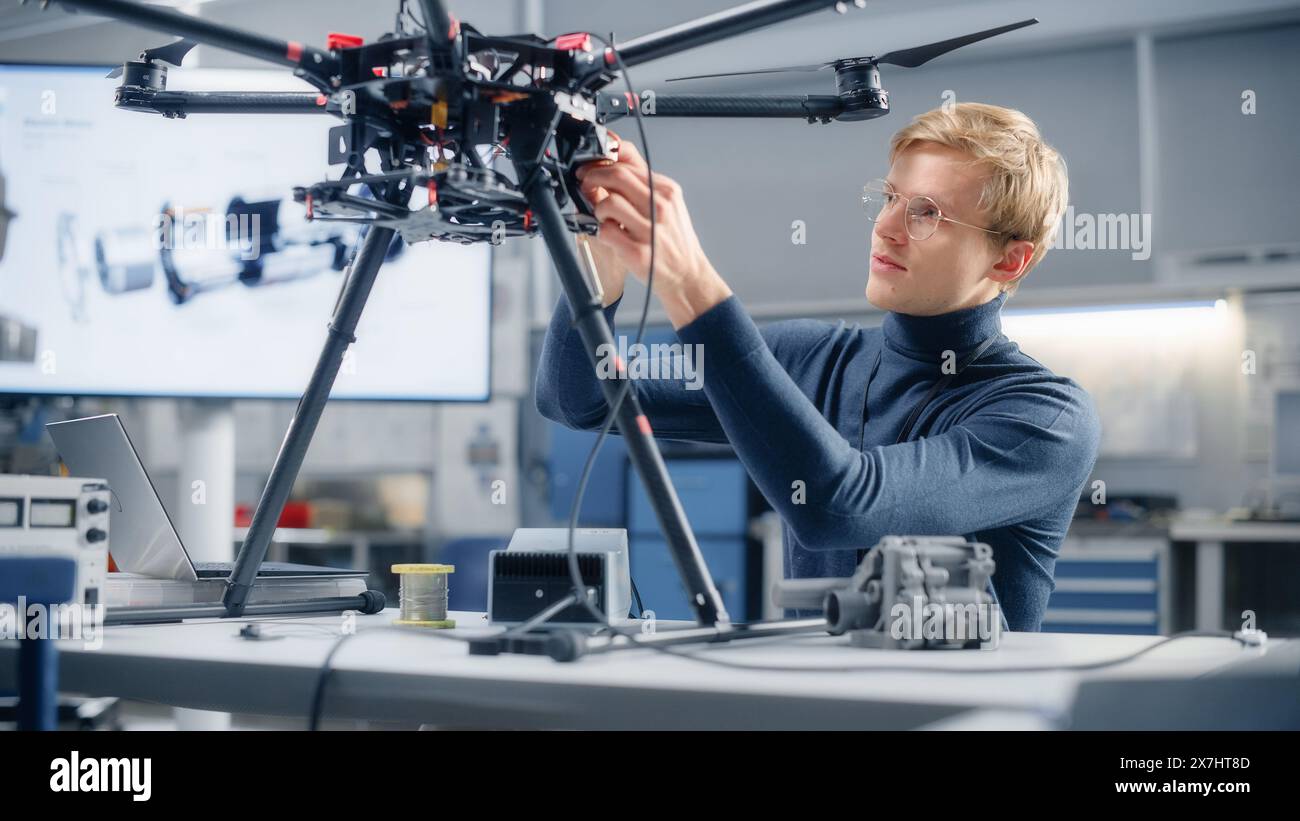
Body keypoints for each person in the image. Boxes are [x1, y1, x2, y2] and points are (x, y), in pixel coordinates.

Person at [535, 102, 1101, 632]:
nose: (886, 227)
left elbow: (839, 505)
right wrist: (599, 249)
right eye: (889, 197)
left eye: (928, 213)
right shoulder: (810, 358)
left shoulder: (1045, 418)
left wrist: (689, 281)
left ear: (1009, 258)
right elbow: (579, 397)